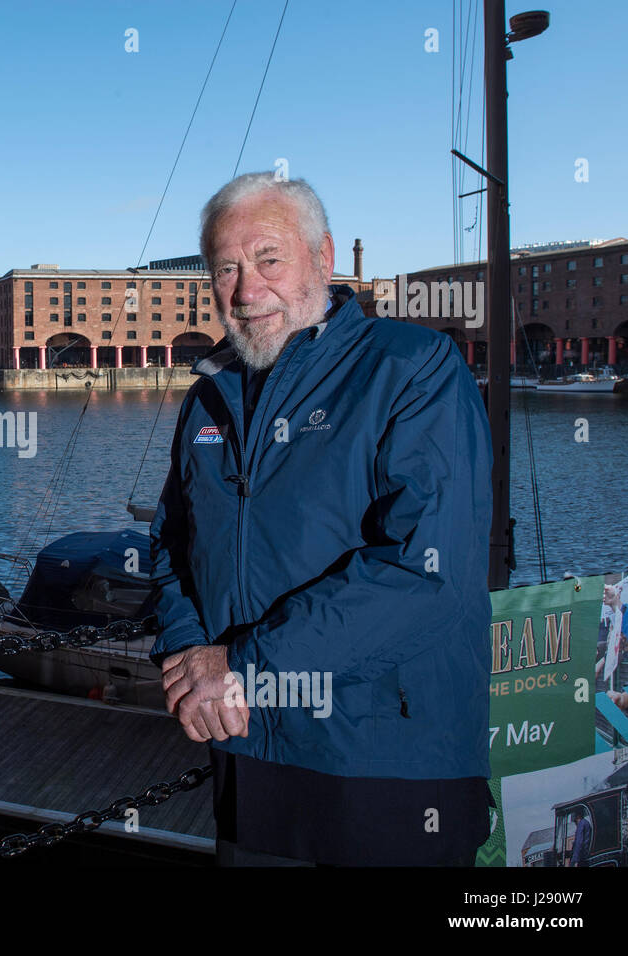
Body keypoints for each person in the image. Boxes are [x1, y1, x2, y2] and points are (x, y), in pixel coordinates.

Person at [149, 171, 493, 866]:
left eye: (269, 259)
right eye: (226, 268)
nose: (247, 290)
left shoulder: (413, 370)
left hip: (387, 764)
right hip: (249, 756)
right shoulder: (210, 398)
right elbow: (172, 543)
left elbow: (425, 574)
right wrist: (190, 657)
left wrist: (243, 667)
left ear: (324, 257)